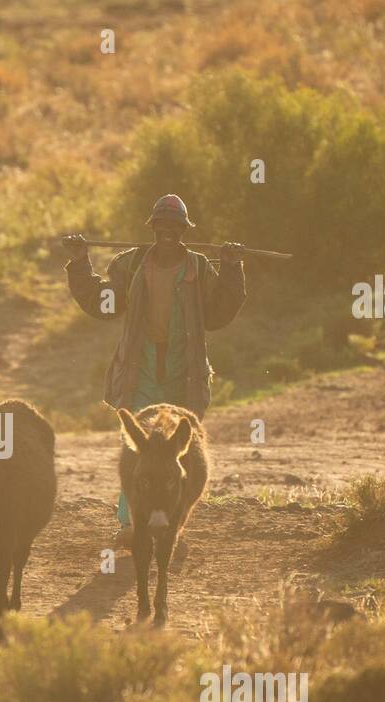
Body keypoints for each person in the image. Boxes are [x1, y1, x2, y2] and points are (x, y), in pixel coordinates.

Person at [62, 194, 247, 549]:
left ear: (184, 231)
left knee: (181, 454)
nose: (168, 233)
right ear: (152, 228)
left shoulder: (199, 268)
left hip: (186, 370)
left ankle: (171, 527)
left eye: (175, 228)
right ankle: (131, 524)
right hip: (139, 367)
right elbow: (103, 303)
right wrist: (80, 263)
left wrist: (231, 267)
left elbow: (219, 313)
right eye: (162, 226)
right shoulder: (130, 266)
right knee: (137, 452)